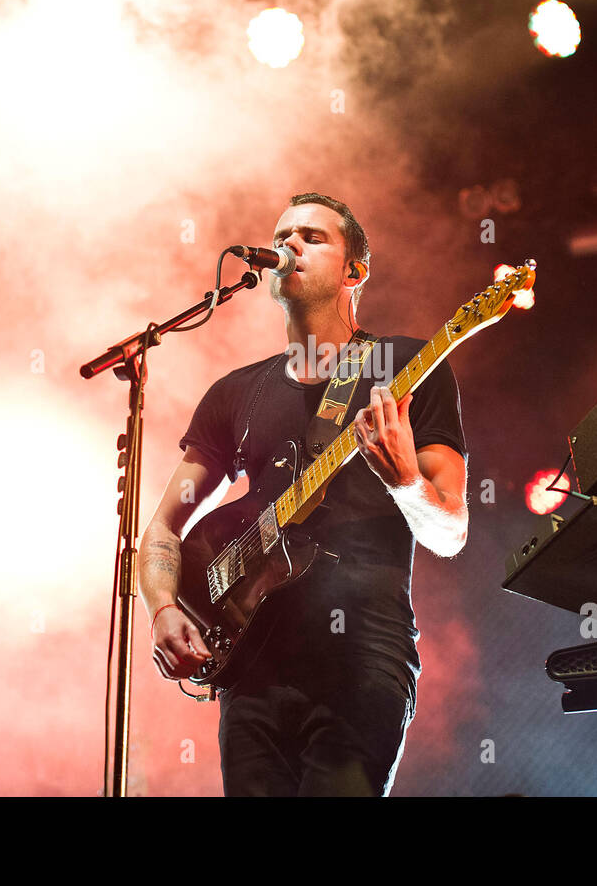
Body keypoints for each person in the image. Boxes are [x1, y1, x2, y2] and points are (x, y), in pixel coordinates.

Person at [138, 192, 468, 796]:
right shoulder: (236, 392)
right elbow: (160, 531)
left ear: (354, 271)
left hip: (362, 656)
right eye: (283, 234)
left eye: (313, 236)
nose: (289, 243)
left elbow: (450, 530)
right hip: (250, 668)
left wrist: (406, 483)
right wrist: (163, 608)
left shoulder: (405, 364)